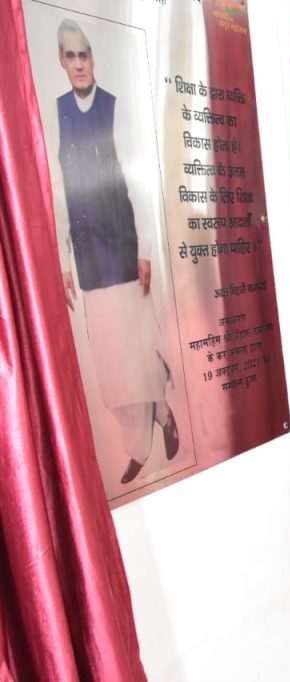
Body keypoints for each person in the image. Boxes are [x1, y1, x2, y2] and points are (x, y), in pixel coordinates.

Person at [48, 19, 177, 485]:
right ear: (62, 61)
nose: (79, 64)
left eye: (85, 55)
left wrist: (143, 247)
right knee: (111, 362)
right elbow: (59, 191)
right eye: (71, 56)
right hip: (88, 256)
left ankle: (154, 425)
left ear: (92, 59)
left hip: (123, 247)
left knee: (137, 348)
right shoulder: (58, 112)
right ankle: (152, 425)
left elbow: (138, 182)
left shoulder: (114, 109)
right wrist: (63, 258)